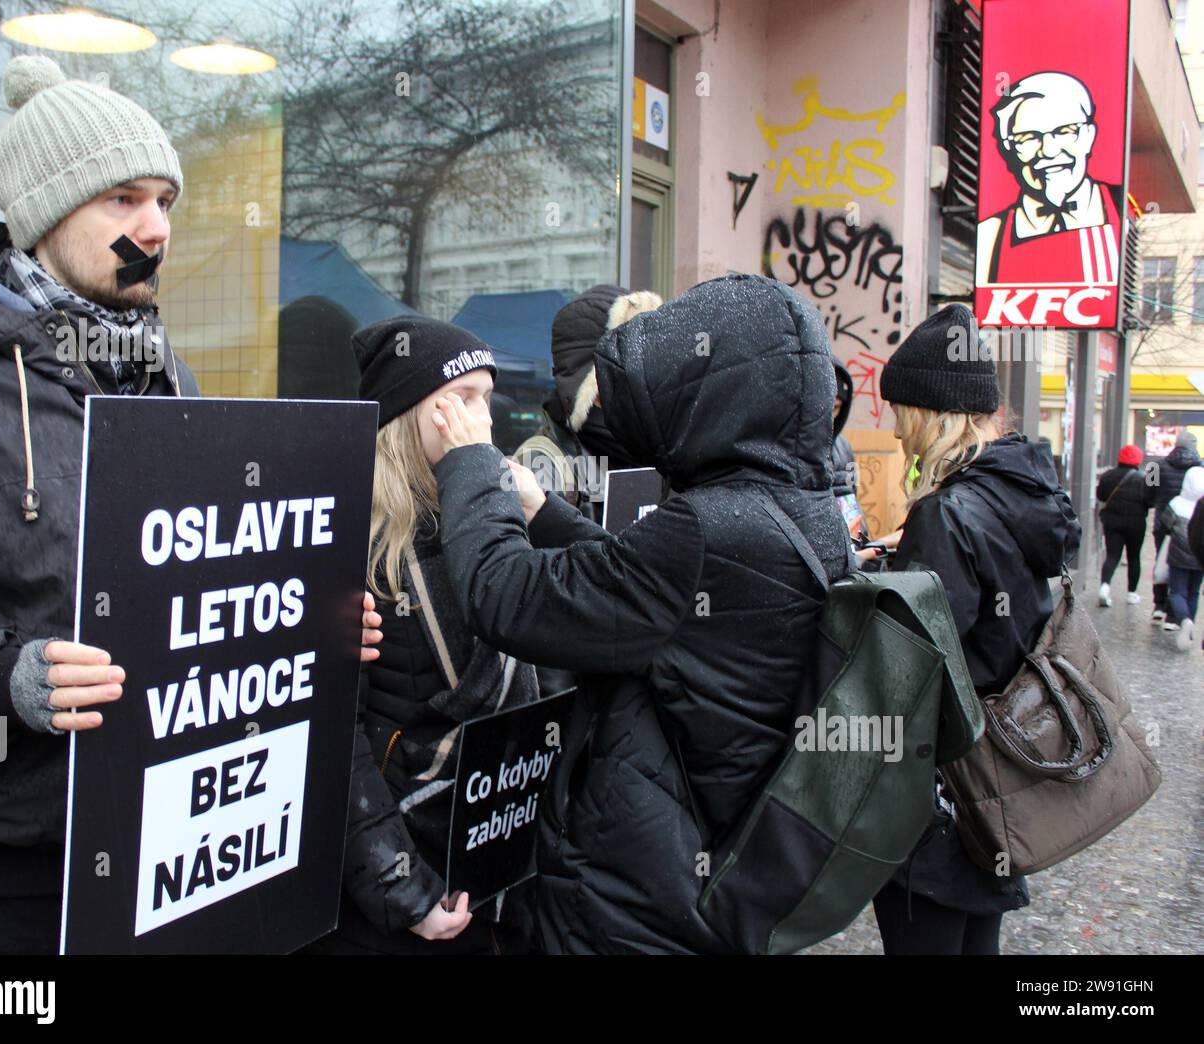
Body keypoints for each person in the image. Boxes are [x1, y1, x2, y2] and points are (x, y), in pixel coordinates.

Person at [428, 273, 851, 954]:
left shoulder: (711, 529)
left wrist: (472, 463)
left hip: (641, 896)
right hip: (703, 867)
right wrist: (545, 515)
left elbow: (502, 595)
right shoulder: (793, 507)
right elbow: (647, 599)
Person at [0, 55, 203, 955]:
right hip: (13, 889)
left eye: (164, 202)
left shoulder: (171, 381)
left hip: (170, 848)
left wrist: (314, 621)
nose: (153, 228)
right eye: (122, 199)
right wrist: (2, 680)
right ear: (44, 216)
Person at [301, 315, 539, 955]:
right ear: (407, 415)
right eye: (461, 401)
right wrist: (401, 888)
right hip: (403, 880)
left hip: (494, 844)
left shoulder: (489, 522)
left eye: (488, 399)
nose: (482, 421)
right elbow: (331, 739)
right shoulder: (354, 541)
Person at [869, 305, 1081, 956]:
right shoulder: (1017, 490)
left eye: (902, 416)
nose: (900, 436)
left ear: (932, 415)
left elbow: (915, 666)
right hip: (1000, 783)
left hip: (942, 797)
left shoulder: (947, 513)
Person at [977, 72, 1122, 328]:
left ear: (1089, 136)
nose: (1049, 150)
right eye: (1028, 138)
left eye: (1065, 131)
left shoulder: (1119, 215)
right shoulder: (990, 234)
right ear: (1009, 148)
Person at [514, 285, 663, 523]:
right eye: (630, 369)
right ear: (592, 382)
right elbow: (544, 560)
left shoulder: (655, 447)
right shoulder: (541, 462)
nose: (642, 382)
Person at [1151, 431, 1202, 629]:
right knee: (1188, 577)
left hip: (1165, 521)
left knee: (1162, 563)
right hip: (1197, 524)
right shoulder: (1201, 467)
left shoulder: (1157, 465)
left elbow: (1147, 490)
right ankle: (1175, 618)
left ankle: (1159, 605)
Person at [1096, 444, 1152, 607]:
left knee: (1112, 555)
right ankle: (1131, 593)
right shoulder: (1144, 478)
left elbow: (1101, 496)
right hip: (1136, 523)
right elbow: (1150, 501)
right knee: (1134, 557)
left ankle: (1104, 587)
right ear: (1138, 459)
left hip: (1112, 521)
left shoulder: (1108, 476)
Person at [1159, 466, 1204, 652]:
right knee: (1193, 592)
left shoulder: (1177, 503)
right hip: (1199, 560)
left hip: (1180, 555)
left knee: (1177, 591)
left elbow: (1164, 523)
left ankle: (1184, 620)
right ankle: (1190, 624)